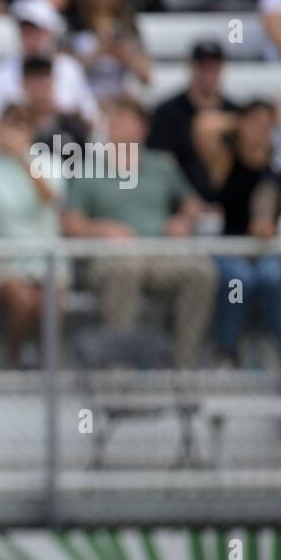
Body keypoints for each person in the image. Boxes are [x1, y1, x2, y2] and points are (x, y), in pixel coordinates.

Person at [63, 96, 216, 368]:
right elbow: (71, 223)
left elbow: (193, 205)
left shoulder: (162, 166)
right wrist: (102, 230)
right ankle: (119, 374)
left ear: (142, 129)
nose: (115, 126)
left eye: (124, 120)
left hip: (159, 253)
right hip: (110, 257)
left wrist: (183, 220)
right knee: (125, 270)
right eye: (113, 121)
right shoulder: (88, 169)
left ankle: (183, 366)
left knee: (202, 272)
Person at [0, 102, 66, 367]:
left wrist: (22, 158)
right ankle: (14, 362)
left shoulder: (48, 162)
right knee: (22, 301)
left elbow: (50, 199)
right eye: (9, 124)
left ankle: (48, 370)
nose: (14, 131)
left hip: (45, 256)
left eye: (22, 125)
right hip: (5, 257)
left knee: (47, 305)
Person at [193, 100, 281, 362]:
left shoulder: (276, 164)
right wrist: (243, 121)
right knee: (238, 281)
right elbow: (202, 126)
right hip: (230, 247)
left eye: (266, 125)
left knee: (272, 279)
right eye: (254, 123)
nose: (261, 130)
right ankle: (227, 349)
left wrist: (278, 122)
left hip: (265, 248)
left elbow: (266, 201)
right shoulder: (225, 156)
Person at [0, 0, 99, 132]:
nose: (30, 36)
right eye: (25, 29)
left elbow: (90, 117)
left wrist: (51, 110)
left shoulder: (69, 68)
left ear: (49, 31)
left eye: (36, 29)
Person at [146, 40, 240, 202]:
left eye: (214, 66)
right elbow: (160, 161)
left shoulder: (236, 112)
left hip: (228, 200)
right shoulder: (167, 112)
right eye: (203, 66)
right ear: (191, 66)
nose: (208, 72)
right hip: (178, 201)